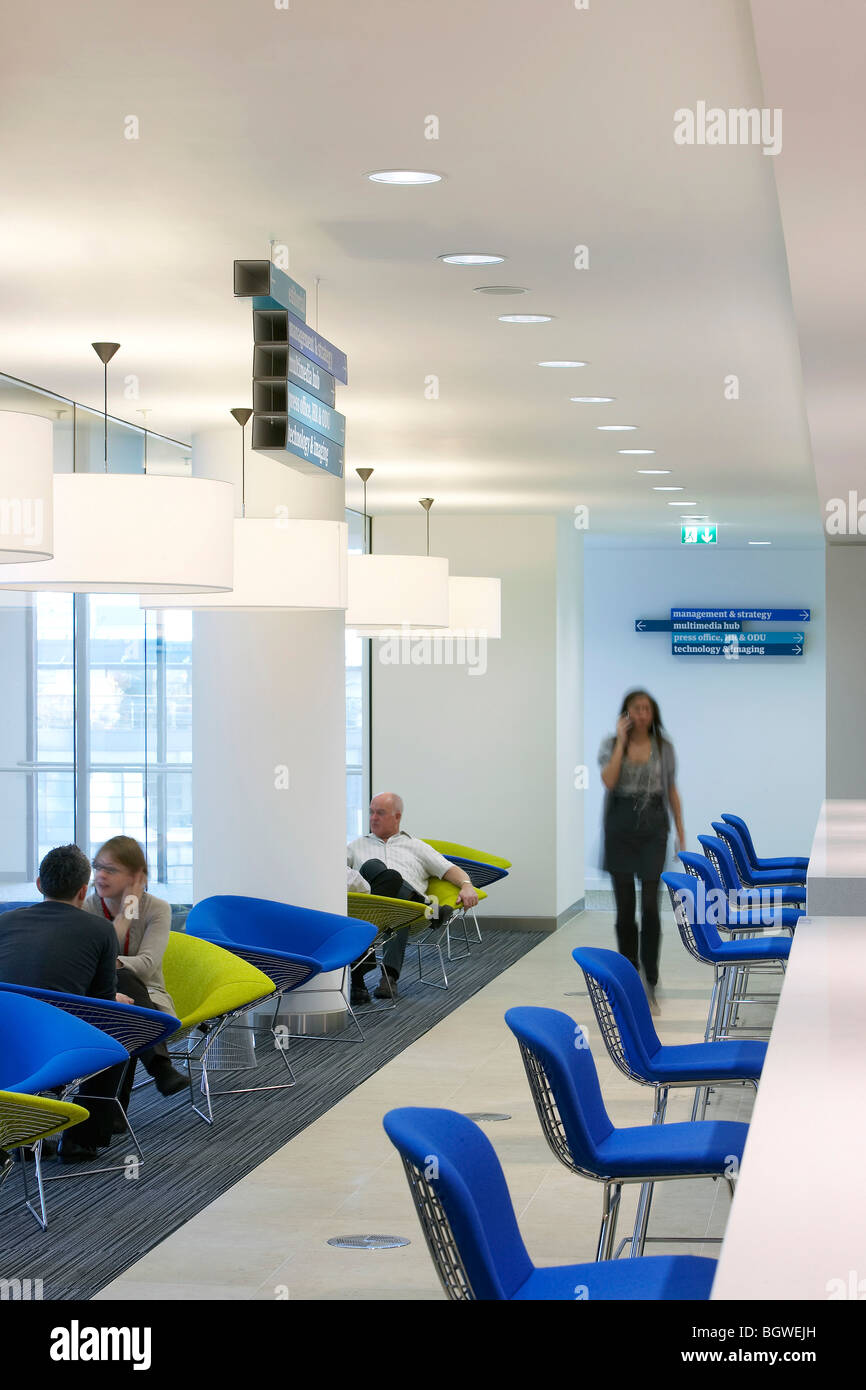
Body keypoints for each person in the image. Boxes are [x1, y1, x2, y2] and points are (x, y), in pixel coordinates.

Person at [0, 844, 129, 1160]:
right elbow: (102, 1006)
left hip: (6, 1039)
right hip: (56, 1046)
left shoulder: (5, 922)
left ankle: (25, 1134)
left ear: (39, 884)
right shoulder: (100, 930)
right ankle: (80, 1140)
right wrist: (117, 1001)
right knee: (116, 1030)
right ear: (84, 891)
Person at [598, 690, 685, 1014]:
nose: (641, 713)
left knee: (650, 906)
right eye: (636, 708)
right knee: (625, 910)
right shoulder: (610, 744)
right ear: (626, 713)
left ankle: (650, 978)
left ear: (653, 713)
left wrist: (681, 831)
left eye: (646, 708)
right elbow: (609, 781)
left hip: (653, 828)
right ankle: (629, 976)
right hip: (619, 829)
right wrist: (621, 742)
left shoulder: (664, 747)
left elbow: (672, 789)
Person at [347, 793, 480, 1003]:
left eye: (380, 813)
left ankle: (379, 979)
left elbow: (448, 869)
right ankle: (424, 905)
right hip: (368, 907)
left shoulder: (416, 846)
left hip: (406, 914)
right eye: (371, 812)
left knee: (399, 909)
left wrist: (466, 885)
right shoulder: (355, 845)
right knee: (373, 867)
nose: (373, 818)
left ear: (397, 817)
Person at [83, 836, 186, 1100]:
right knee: (122, 1010)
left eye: (110, 870)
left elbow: (147, 966)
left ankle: (110, 1112)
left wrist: (108, 963)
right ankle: (160, 1067)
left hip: (147, 996)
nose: (100, 875)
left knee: (123, 1007)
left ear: (135, 877)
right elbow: (89, 964)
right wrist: (126, 915)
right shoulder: (88, 906)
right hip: (97, 995)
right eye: (98, 867)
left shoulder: (157, 909)